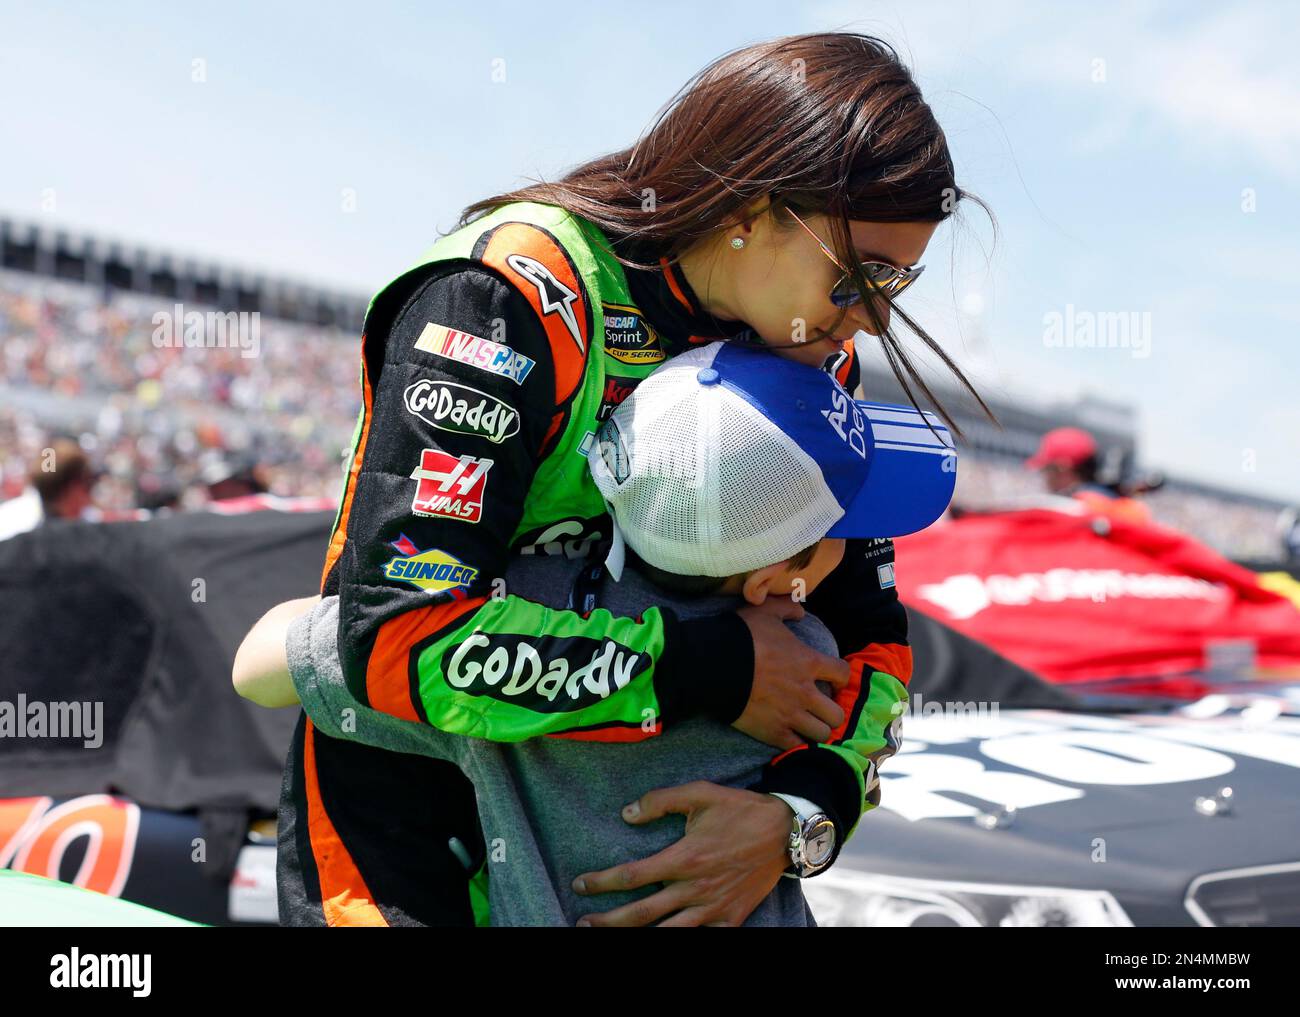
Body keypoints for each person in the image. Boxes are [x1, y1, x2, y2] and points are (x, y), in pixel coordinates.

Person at [276, 30, 994, 927]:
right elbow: (396, 642)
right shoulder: (512, 295)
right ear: (751, 208)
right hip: (417, 828)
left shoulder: (816, 356)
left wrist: (797, 818)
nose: (880, 318)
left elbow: (867, 639)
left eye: (902, 280)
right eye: (861, 274)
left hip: (642, 844)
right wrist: (710, 668)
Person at [235, 341, 957, 925]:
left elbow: (258, 664)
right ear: (776, 577)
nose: (863, 541)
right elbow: (871, 709)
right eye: (842, 524)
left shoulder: (501, 624)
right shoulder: (810, 659)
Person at [1026, 426, 1151, 523]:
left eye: (1046, 470)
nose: (1045, 478)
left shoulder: (1069, 509)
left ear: (1062, 469)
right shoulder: (1126, 507)